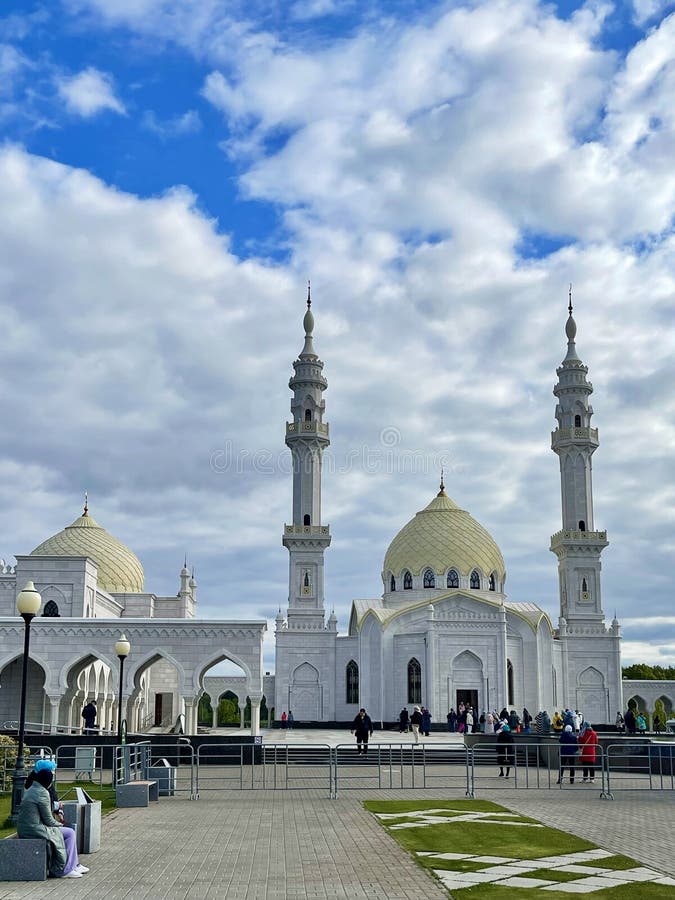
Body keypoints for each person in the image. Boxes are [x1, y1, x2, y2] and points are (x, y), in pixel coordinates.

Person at [17, 769, 88, 878]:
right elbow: (48, 820)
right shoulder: (42, 793)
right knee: (69, 832)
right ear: (47, 781)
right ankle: (66, 869)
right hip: (35, 830)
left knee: (67, 831)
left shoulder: (31, 789)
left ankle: (73, 865)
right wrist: (62, 825)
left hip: (26, 828)